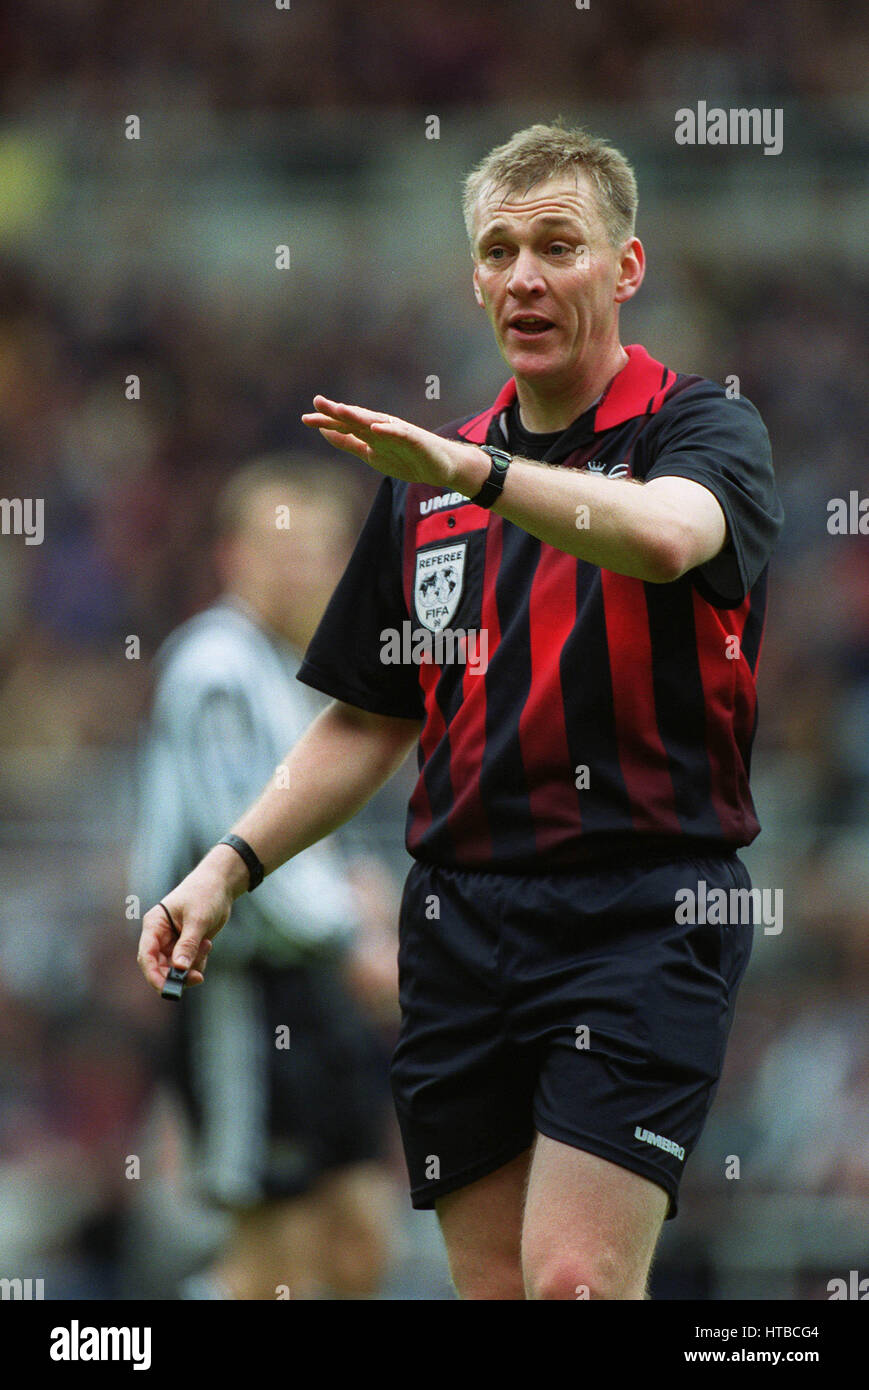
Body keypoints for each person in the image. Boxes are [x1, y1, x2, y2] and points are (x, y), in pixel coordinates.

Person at [137, 122, 784, 1300]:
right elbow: (367, 719)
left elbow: (664, 536)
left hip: (639, 909)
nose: (524, 276)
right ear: (475, 279)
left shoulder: (696, 431)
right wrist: (230, 863)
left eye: (557, 245)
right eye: (497, 251)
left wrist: (473, 475)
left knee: (573, 1283)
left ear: (624, 267)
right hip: (461, 928)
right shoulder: (434, 480)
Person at [133, 457, 399, 1299]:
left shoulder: (290, 672)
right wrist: (357, 945)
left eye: (318, 552)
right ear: (229, 558)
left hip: (313, 993)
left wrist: (364, 898)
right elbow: (236, 848)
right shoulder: (215, 664)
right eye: (280, 550)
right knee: (271, 1259)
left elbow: (315, 832)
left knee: (356, 1242)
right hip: (244, 992)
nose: (303, 570)